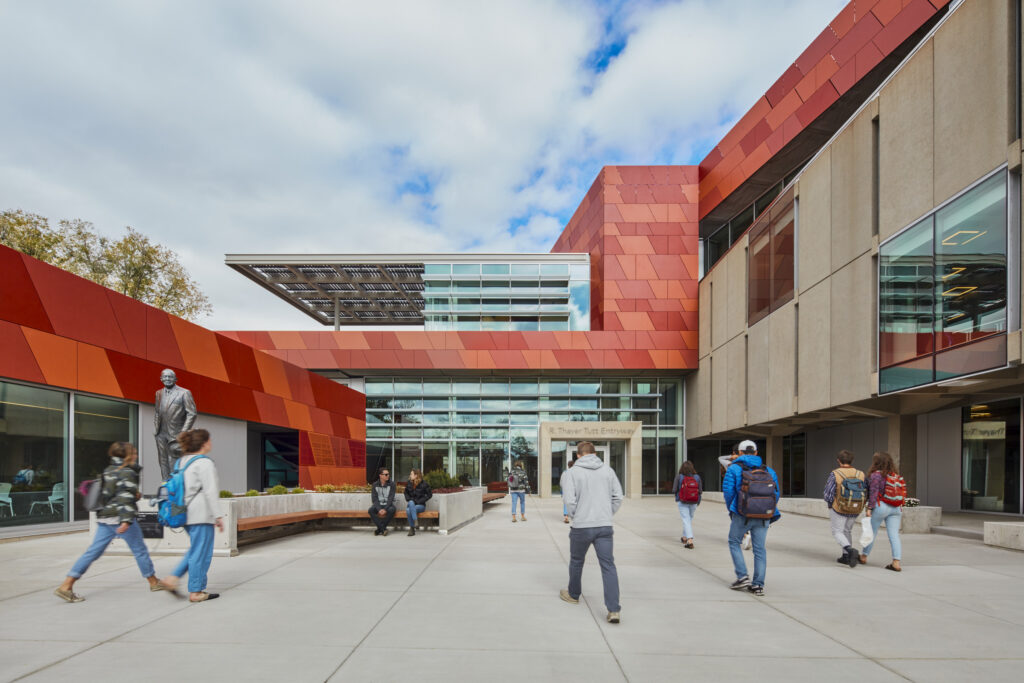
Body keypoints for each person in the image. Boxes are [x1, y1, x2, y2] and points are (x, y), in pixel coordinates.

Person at [54, 442, 164, 602]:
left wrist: (135, 495)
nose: (136, 455)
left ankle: (66, 585)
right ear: (126, 456)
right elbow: (125, 497)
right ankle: (154, 582)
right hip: (121, 518)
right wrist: (126, 521)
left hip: (105, 518)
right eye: (133, 453)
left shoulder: (109, 470)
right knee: (139, 550)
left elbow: (113, 493)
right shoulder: (127, 472)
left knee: (92, 552)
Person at [559, 441, 623, 624]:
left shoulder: (572, 473)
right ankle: (613, 610)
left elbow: (569, 500)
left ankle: (573, 594)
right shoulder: (608, 471)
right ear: (595, 454)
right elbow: (618, 496)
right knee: (608, 566)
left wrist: (576, 516)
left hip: (581, 526)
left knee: (577, 561)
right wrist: (606, 514)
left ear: (578, 456)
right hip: (604, 526)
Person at [158, 429, 223, 602]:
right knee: (201, 553)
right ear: (204, 443)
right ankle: (195, 591)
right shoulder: (204, 463)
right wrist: (218, 515)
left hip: (183, 511)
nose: (211, 443)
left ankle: (174, 579)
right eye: (209, 440)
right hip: (200, 513)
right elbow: (210, 491)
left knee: (196, 550)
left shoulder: (181, 462)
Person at [723, 441, 780, 596]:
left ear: (740, 453)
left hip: (742, 513)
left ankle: (742, 576)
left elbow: (728, 492)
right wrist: (765, 510)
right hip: (763, 515)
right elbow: (776, 494)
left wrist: (732, 510)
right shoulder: (769, 470)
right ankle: (758, 585)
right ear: (756, 452)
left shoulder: (734, 468)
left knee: (734, 541)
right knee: (759, 549)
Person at [860, 452, 904, 571]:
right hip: (896, 508)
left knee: (872, 533)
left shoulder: (876, 475)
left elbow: (874, 493)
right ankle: (896, 562)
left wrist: (869, 508)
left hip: (881, 506)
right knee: (894, 535)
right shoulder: (894, 475)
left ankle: (863, 556)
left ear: (876, 462)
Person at [824, 450, 866, 568]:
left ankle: (849, 550)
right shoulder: (860, 474)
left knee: (837, 531)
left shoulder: (835, 473)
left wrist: (830, 504)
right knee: (847, 530)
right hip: (856, 507)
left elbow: (828, 493)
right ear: (852, 460)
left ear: (838, 461)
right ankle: (846, 556)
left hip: (839, 507)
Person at [154, 369, 197, 482]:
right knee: (162, 460)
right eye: (165, 377)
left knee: (174, 460)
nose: (167, 379)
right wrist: (156, 428)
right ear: (161, 379)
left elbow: (192, 413)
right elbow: (157, 412)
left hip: (176, 433)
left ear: (175, 379)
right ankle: (165, 485)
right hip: (161, 432)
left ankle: (175, 486)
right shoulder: (158, 393)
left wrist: (183, 432)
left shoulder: (184, 393)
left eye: (170, 377)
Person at [719, 447, 751, 550]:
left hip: (736, 493)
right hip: (749, 492)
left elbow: (720, 458)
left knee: (735, 515)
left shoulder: (730, 465)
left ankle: (745, 535)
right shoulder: (751, 464)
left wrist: (731, 457)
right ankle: (747, 534)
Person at [672, 461, 702, 548]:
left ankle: (689, 540)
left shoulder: (679, 477)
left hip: (682, 501)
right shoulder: (697, 477)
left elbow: (674, 490)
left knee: (686, 519)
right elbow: (700, 491)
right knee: (689, 519)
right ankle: (684, 537)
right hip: (694, 501)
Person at [368, 466, 396, 536]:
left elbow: (391, 498)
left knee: (392, 510)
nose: (388, 476)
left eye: (388, 474)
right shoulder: (375, 485)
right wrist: (379, 509)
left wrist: (385, 509)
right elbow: (374, 499)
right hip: (379, 504)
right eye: (386, 474)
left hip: (388, 504)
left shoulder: (392, 484)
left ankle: (379, 529)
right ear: (380, 475)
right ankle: (383, 529)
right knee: (371, 510)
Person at [404, 468, 432, 537]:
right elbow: (405, 493)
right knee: (410, 502)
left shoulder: (424, 484)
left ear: (416, 475)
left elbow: (429, 494)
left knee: (408, 510)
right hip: (411, 504)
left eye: (411, 474)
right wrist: (409, 499)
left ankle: (412, 528)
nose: (410, 475)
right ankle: (415, 521)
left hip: (420, 506)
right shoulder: (409, 483)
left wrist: (420, 501)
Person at [561, 455, 576, 524]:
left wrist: (562, 489)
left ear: (568, 465)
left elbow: (561, 482)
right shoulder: (576, 473)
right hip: (574, 491)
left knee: (566, 503)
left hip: (566, 491)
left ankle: (566, 517)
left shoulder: (564, 473)